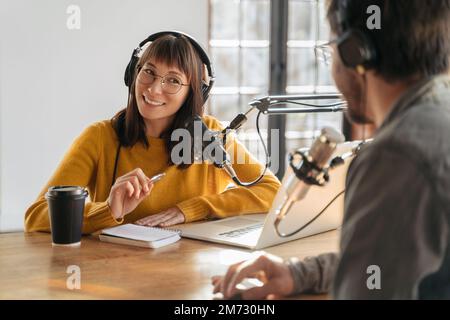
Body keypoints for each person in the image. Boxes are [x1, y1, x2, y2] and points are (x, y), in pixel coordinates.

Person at [213, 0, 450, 299]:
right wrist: (302, 273)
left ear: (354, 50)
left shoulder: (397, 156)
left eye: (331, 48)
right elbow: (389, 264)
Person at [24, 32, 280, 234]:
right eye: (149, 72)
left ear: (194, 93)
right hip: (114, 273)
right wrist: (107, 210)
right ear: (133, 75)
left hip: (187, 281)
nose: (154, 89)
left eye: (173, 80)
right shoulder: (99, 137)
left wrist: (192, 209)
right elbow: (36, 215)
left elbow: (272, 192)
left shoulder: (211, 135)